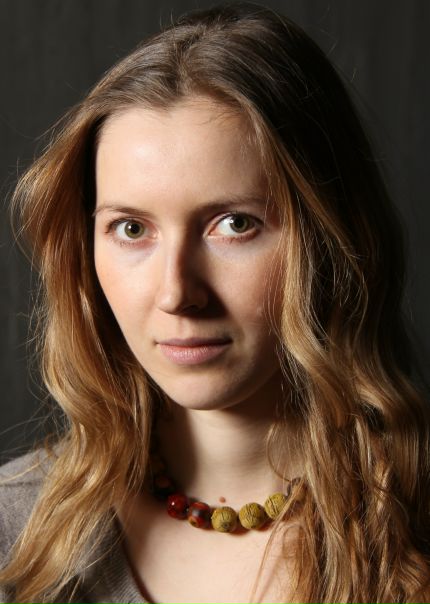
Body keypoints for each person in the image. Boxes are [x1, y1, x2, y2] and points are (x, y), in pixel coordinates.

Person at [1, 2, 429, 603]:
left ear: (332, 240)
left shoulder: (415, 525)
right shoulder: (14, 535)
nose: (177, 293)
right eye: (131, 229)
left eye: (235, 224)